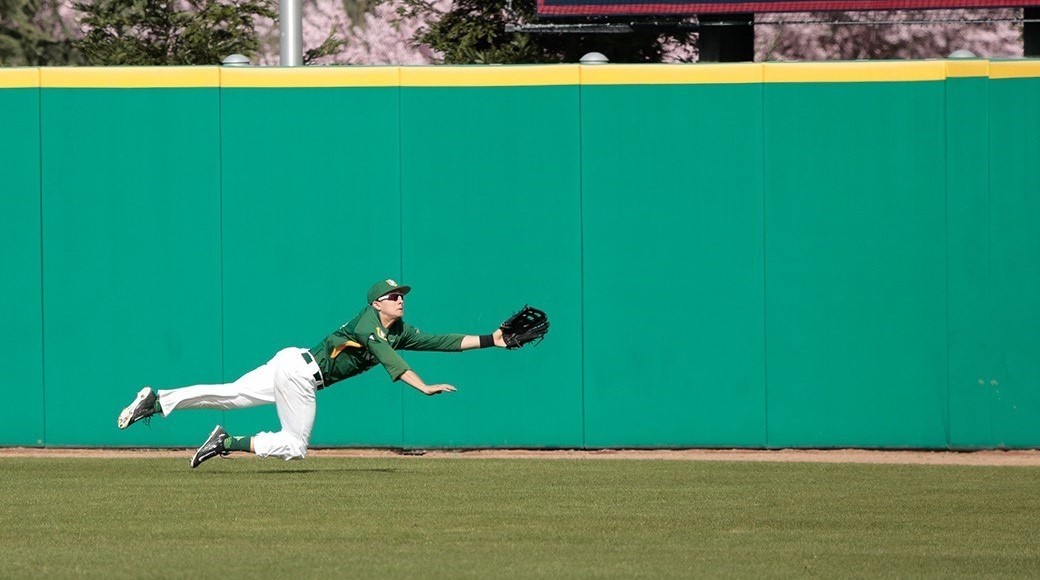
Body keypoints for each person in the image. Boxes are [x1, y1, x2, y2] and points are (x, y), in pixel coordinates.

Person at [117, 279, 510, 468]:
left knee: (229, 394)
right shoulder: (367, 326)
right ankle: (226, 442)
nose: (400, 299)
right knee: (295, 446)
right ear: (377, 302)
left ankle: (160, 399)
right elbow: (393, 363)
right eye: (393, 296)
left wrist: (493, 339)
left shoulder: (396, 329)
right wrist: (423, 387)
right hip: (301, 376)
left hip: (292, 362)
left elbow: (441, 341)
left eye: (402, 295)